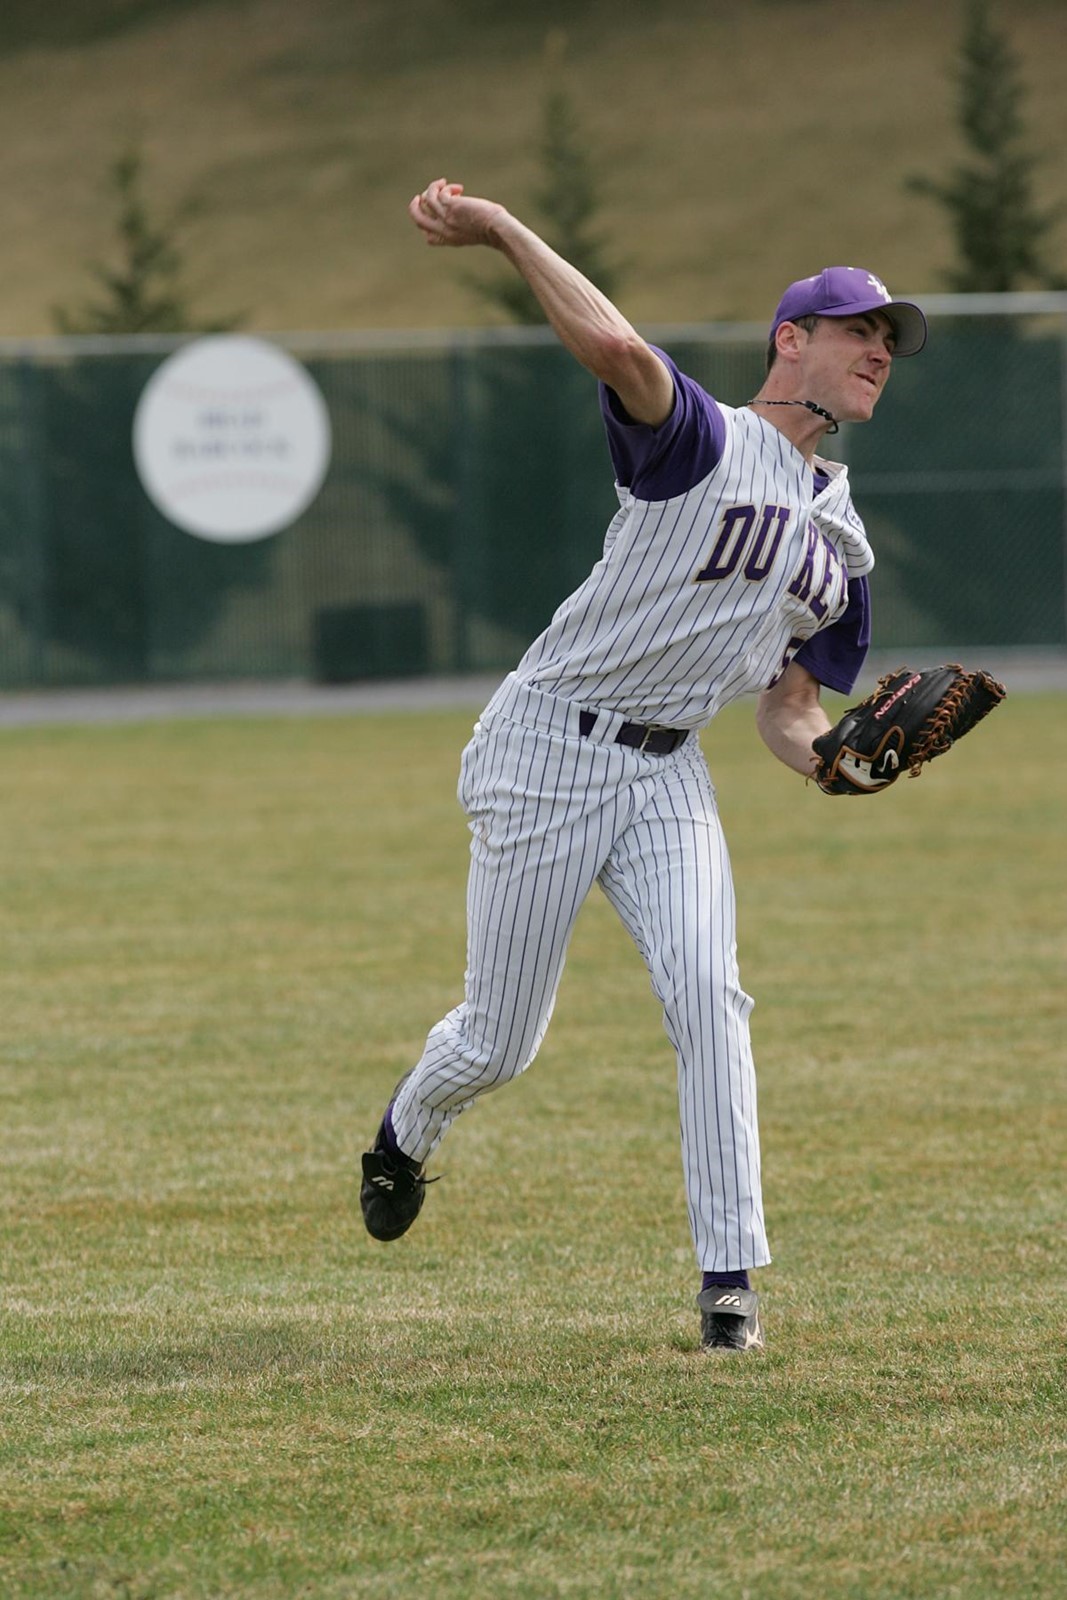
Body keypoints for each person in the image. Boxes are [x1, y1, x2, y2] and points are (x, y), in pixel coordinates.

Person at [361, 178, 928, 1353]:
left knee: (711, 999)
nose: (879, 350)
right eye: (858, 330)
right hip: (547, 743)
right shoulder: (702, 440)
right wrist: (505, 230)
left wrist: (837, 765)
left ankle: (729, 1284)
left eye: (890, 340)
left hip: (668, 771)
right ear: (792, 341)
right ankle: (404, 1130)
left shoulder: (840, 545)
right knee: (499, 1039)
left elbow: (788, 709)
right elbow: (615, 345)